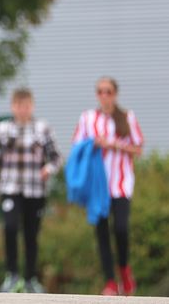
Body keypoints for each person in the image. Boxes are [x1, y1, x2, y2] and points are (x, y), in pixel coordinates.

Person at [0, 88, 61, 294]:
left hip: (35, 190)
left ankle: (30, 278)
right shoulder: (3, 130)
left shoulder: (42, 129)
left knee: (31, 234)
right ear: (13, 107)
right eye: (19, 105)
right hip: (10, 189)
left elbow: (55, 157)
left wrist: (49, 169)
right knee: (10, 228)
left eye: (26, 105)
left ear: (32, 106)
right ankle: (12, 275)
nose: (23, 110)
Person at [72, 77, 143, 296]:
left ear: (115, 94)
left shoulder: (127, 117)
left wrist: (114, 145)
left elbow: (138, 148)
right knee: (101, 232)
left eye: (108, 91)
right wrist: (94, 143)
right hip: (98, 186)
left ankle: (124, 269)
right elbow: (77, 147)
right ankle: (110, 281)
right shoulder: (87, 118)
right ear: (97, 95)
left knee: (120, 228)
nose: (104, 95)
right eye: (100, 91)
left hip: (121, 184)